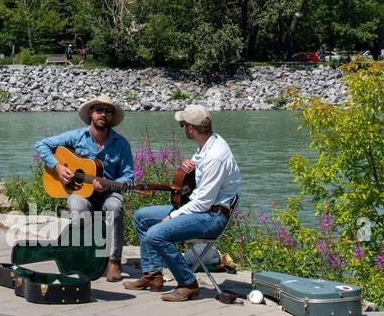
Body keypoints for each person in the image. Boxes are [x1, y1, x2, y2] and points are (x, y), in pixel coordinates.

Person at [129, 105, 242, 302]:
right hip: (203, 210)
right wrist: (188, 167)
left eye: (183, 125)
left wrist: (171, 216)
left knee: (156, 233)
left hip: (212, 217)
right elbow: (202, 180)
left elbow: (203, 202)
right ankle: (153, 274)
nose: (183, 129)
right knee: (142, 216)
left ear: (190, 128)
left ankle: (188, 284)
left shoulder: (216, 156)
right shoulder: (207, 144)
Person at [34, 94, 135, 282]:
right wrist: (58, 167)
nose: (103, 114)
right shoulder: (77, 136)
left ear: (112, 117)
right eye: (99, 110)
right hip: (81, 193)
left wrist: (106, 187)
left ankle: (114, 261)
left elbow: (128, 176)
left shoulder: (121, 144)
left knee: (115, 207)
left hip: (109, 192)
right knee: (78, 207)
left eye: (108, 111)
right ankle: (84, 255)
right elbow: (41, 145)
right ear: (91, 113)